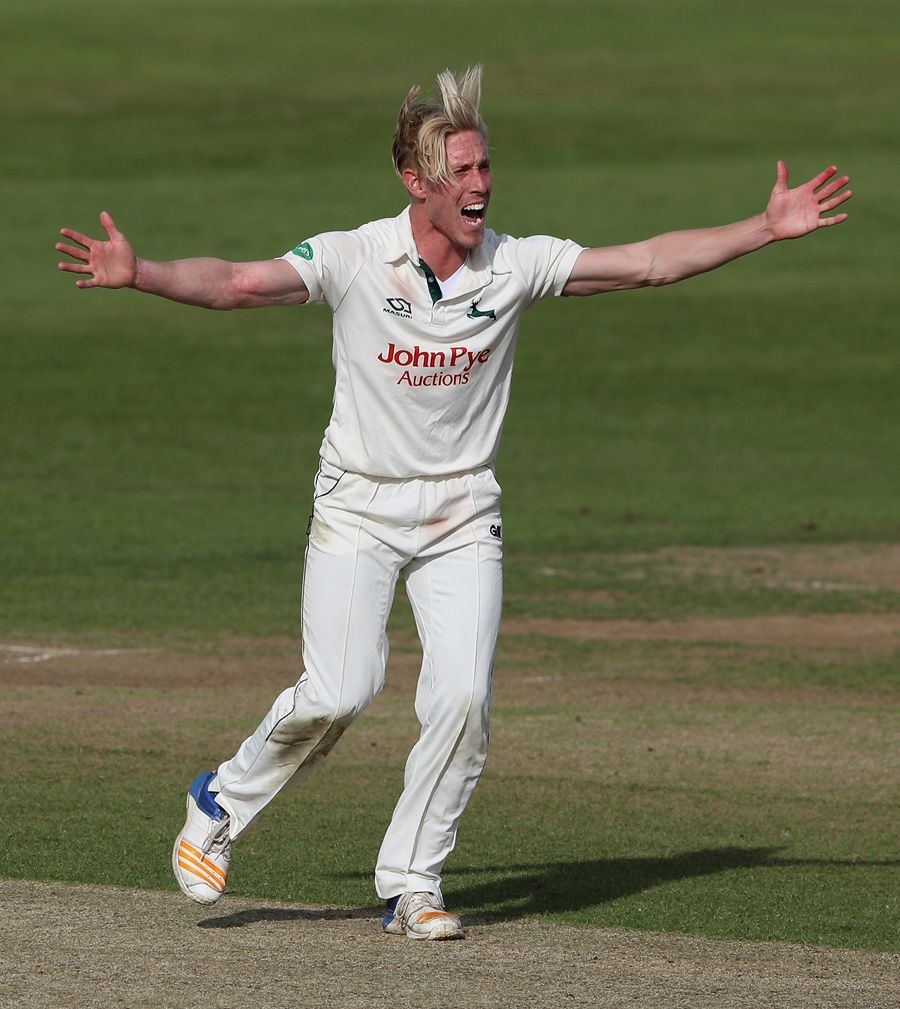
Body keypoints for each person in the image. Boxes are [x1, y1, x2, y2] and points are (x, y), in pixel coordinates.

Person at [56, 66, 851, 941]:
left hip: (463, 511)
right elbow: (242, 284)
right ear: (416, 181)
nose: (479, 186)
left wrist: (764, 229)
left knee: (463, 698)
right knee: (339, 690)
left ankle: (412, 883)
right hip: (358, 505)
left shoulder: (514, 264)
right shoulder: (358, 257)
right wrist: (142, 274)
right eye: (461, 172)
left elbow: (650, 264)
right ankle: (221, 798)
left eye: (484, 167)